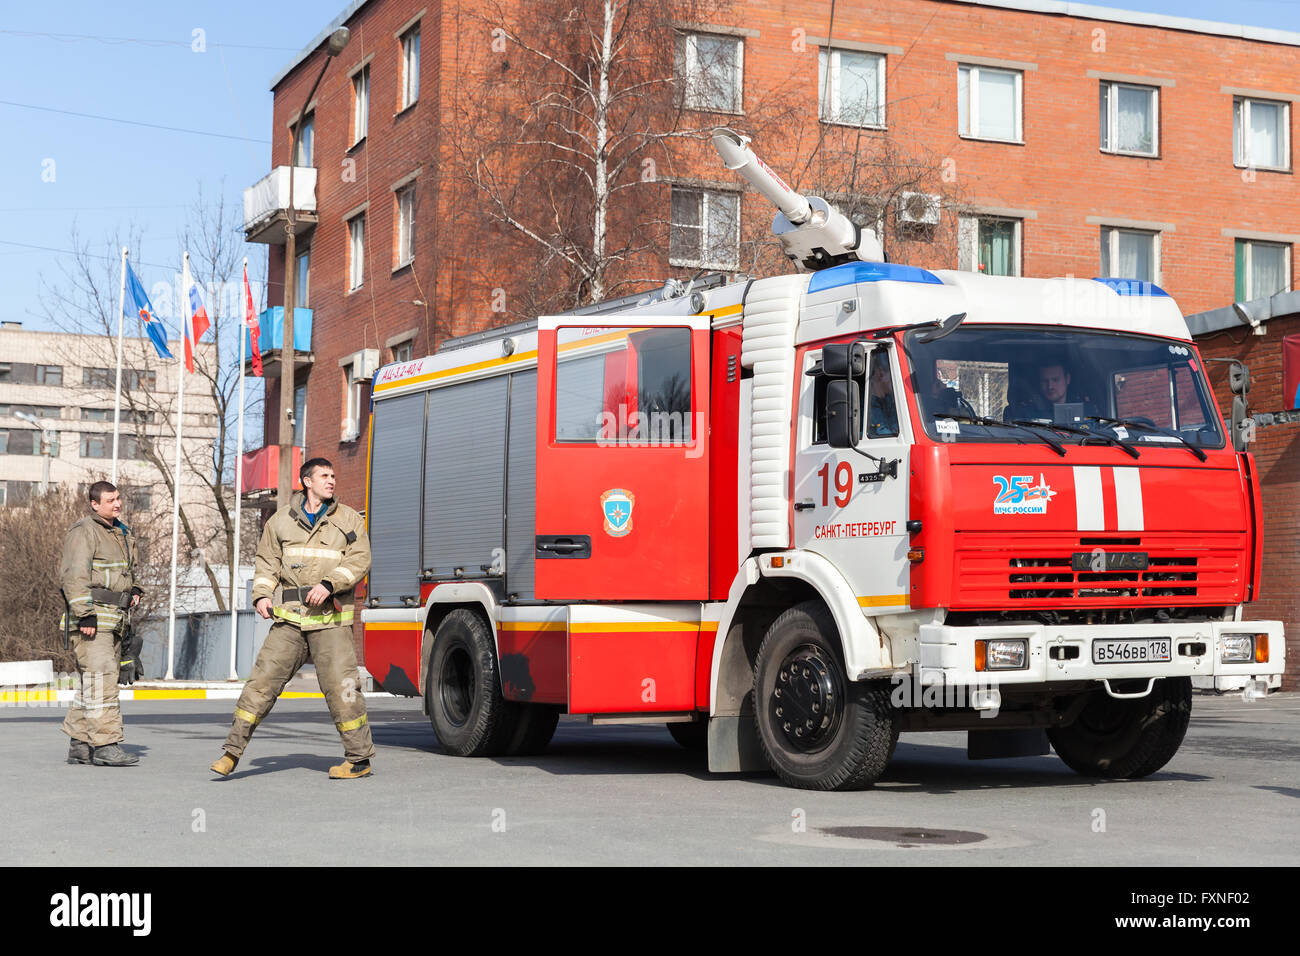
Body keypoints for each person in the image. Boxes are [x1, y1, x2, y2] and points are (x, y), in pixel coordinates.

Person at [210, 457, 375, 779]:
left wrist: (330, 584)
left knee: (344, 690)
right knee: (260, 685)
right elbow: (266, 561)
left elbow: (360, 559)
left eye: (333, 475)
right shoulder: (280, 521)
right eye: (324, 476)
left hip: (330, 621)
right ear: (307, 481)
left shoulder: (350, 520)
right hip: (289, 621)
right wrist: (261, 594)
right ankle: (231, 753)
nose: (332, 481)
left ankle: (358, 760)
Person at [60, 480, 143, 767]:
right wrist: (84, 613)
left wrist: (134, 590)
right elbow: (74, 575)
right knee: (103, 679)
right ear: (95, 504)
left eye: (118, 498)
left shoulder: (121, 531)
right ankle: (106, 744)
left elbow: (126, 571)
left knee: (93, 682)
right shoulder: (84, 531)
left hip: (114, 619)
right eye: (110, 500)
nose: (117, 504)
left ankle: (80, 744)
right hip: (92, 618)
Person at [867, 351, 899, 437]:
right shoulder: (867, 406)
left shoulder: (893, 402)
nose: (899, 383)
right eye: (895, 376)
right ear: (881, 374)